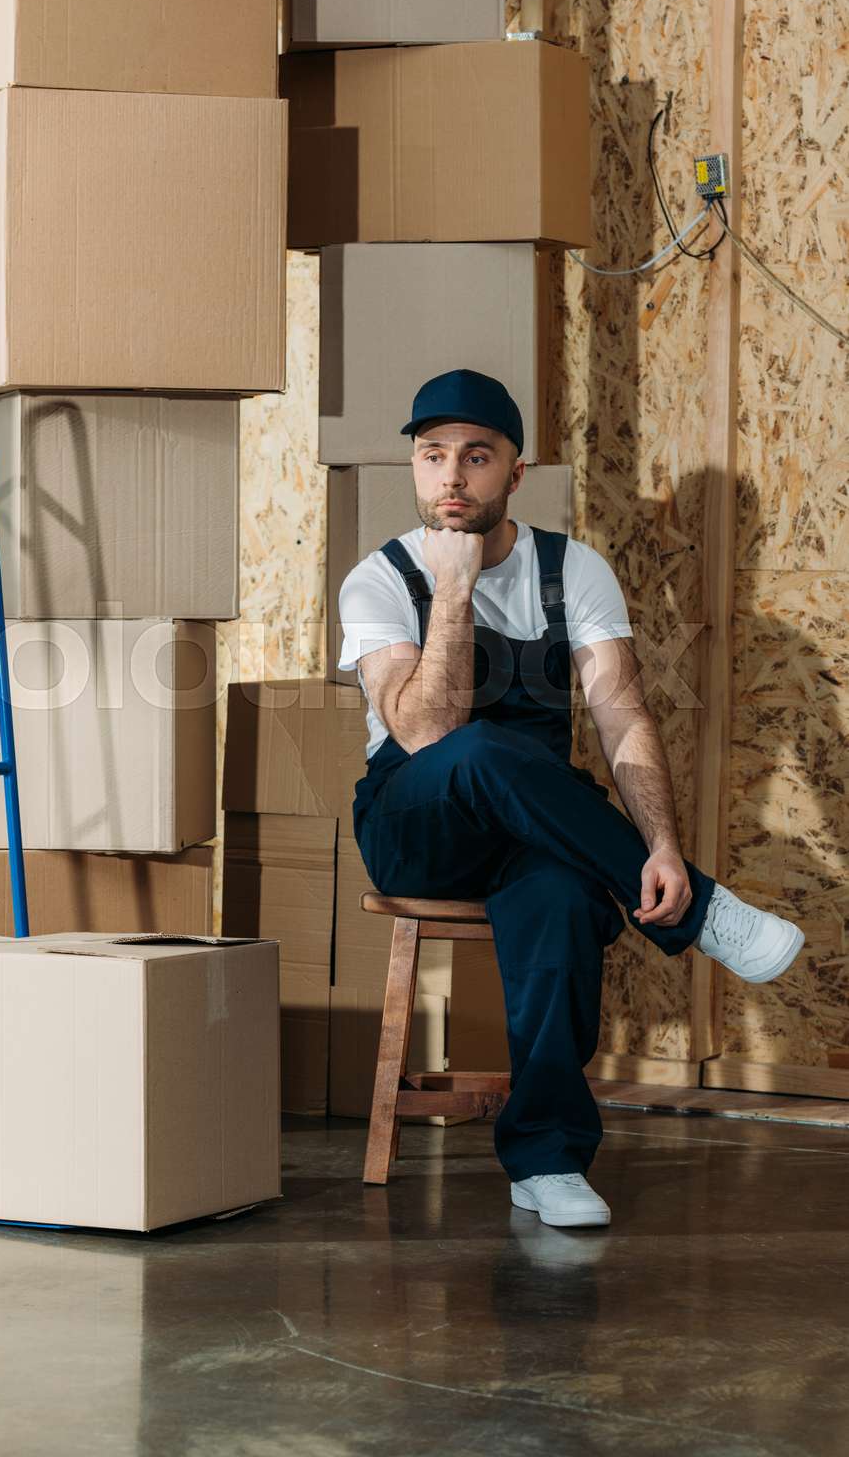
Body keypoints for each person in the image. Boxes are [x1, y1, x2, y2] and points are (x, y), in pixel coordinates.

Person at [337, 368, 805, 1229]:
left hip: (535, 826)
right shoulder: (381, 579)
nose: (452, 477)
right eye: (433, 456)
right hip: (417, 821)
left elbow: (621, 715)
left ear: (514, 474)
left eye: (476, 458)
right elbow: (425, 736)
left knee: (557, 897)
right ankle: (701, 914)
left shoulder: (572, 569)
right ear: (413, 468)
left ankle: (547, 1159)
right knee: (477, 746)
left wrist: (658, 844)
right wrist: (454, 584)